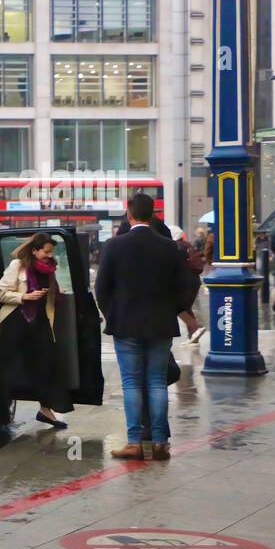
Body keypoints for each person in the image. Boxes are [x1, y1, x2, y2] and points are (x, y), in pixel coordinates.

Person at [95, 193, 201, 461]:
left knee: (131, 383)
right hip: (160, 324)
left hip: (126, 324)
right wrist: (172, 309)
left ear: (129, 215)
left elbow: (101, 288)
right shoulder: (168, 247)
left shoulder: (114, 246)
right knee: (156, 383)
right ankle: (160, 443)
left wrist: (113, 315)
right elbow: (184, 286)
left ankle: (133, 442)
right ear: (153, 214)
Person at [0, 232, 72, 430]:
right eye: (46, 251)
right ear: (35, 251)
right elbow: (2, 293)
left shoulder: (50, 269)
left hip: (40, 322)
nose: (49, 255)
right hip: (17, 321)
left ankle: (46, 410)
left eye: (51, 252)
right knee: (7, 366)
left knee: (45, 365)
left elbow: (55, 296)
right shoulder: (17, 266)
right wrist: (25, 296)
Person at [168, 224, 207, 343]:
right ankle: (193, 335)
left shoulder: (175, 248)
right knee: (185, 307)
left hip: (183, 282)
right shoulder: (188, 245)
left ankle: (196, 327)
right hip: (194, 281)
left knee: (175, 306)